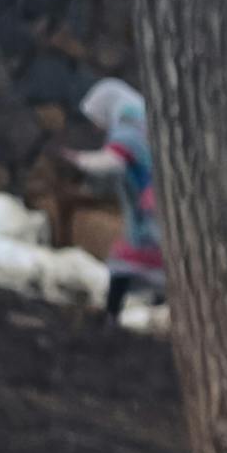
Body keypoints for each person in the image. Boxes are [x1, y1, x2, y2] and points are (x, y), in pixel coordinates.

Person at [69, 79, 162, 320]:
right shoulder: (140, 112)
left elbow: (115, 159)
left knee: (130, 260)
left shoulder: (128, 120)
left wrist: (78, 160)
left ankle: (113, 316)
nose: (97, 127)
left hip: (151, 205)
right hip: (152, 202)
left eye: (96, 118)